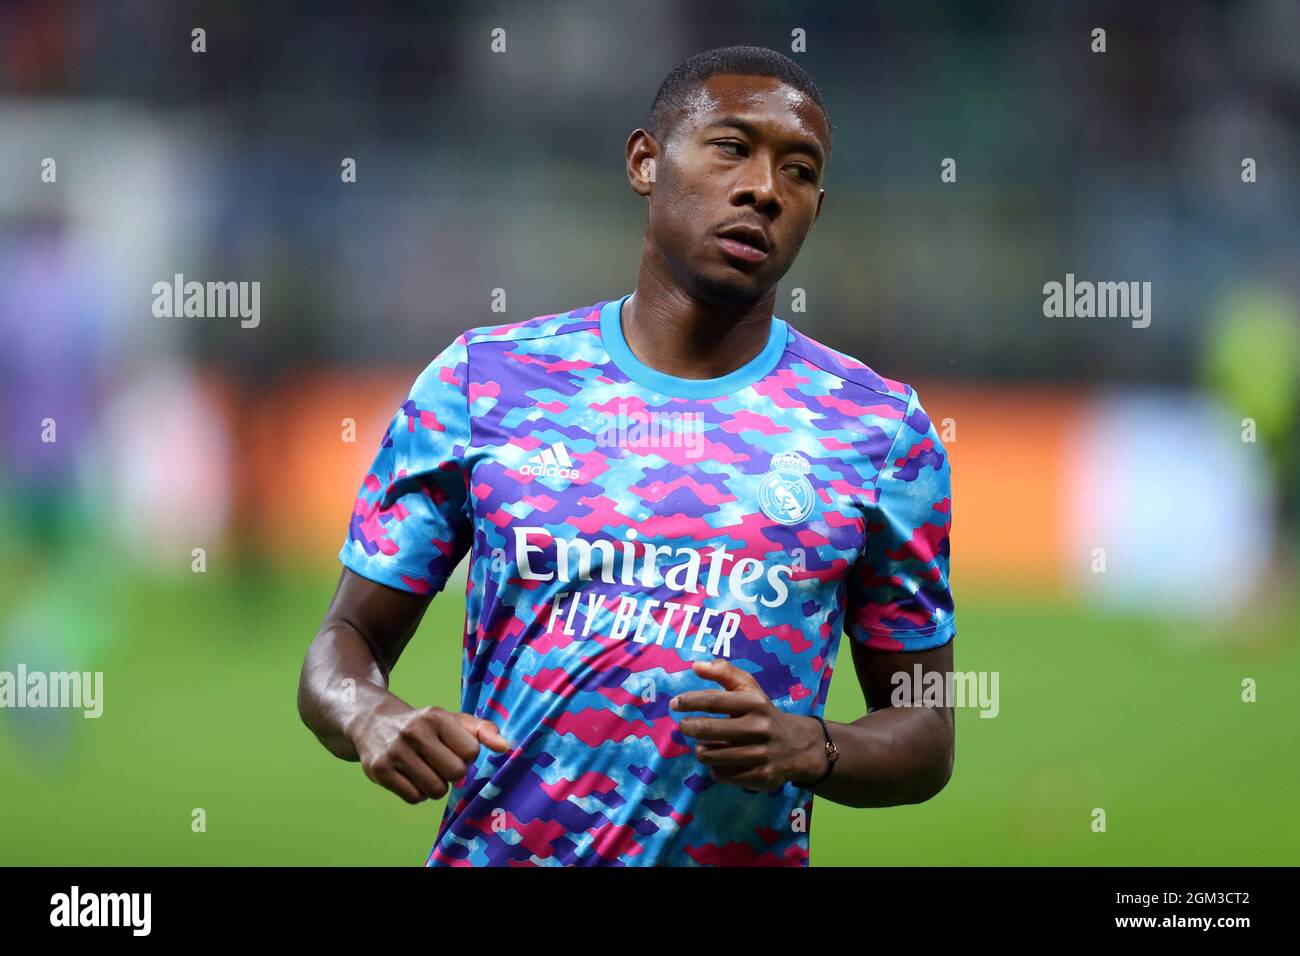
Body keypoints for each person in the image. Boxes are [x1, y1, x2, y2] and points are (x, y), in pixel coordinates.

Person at [298, 45, 956, 867]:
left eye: (798, 171)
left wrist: (812, 745)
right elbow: (344, 640)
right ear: (646, 162)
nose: (763, 188)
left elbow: (927, 731)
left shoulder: (879, 432)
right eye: (732, 147)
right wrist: (368, 713)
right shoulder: (483, 383)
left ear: (815, 209)